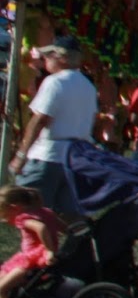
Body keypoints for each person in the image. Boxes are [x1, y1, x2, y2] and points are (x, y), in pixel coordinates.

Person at [7, 36, 98, 218]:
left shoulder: (55, 82)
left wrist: (21, 155)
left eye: (49, 55)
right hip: (75, 156)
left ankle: (39, 245)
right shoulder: (88, 86)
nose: (45, 59)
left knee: (30, 211)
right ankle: (77, 243)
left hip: (48, 155)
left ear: (61, 58)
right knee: (68, 215)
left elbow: (40, 120)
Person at [0, 185, 65, 298]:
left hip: (30, 262)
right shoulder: (46, 212)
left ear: (15, 207)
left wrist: (48, 250)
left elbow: (40, 228)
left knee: (1, 290)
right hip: (36, 260)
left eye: (5, 211)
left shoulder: (24, 219)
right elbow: (63, 227)